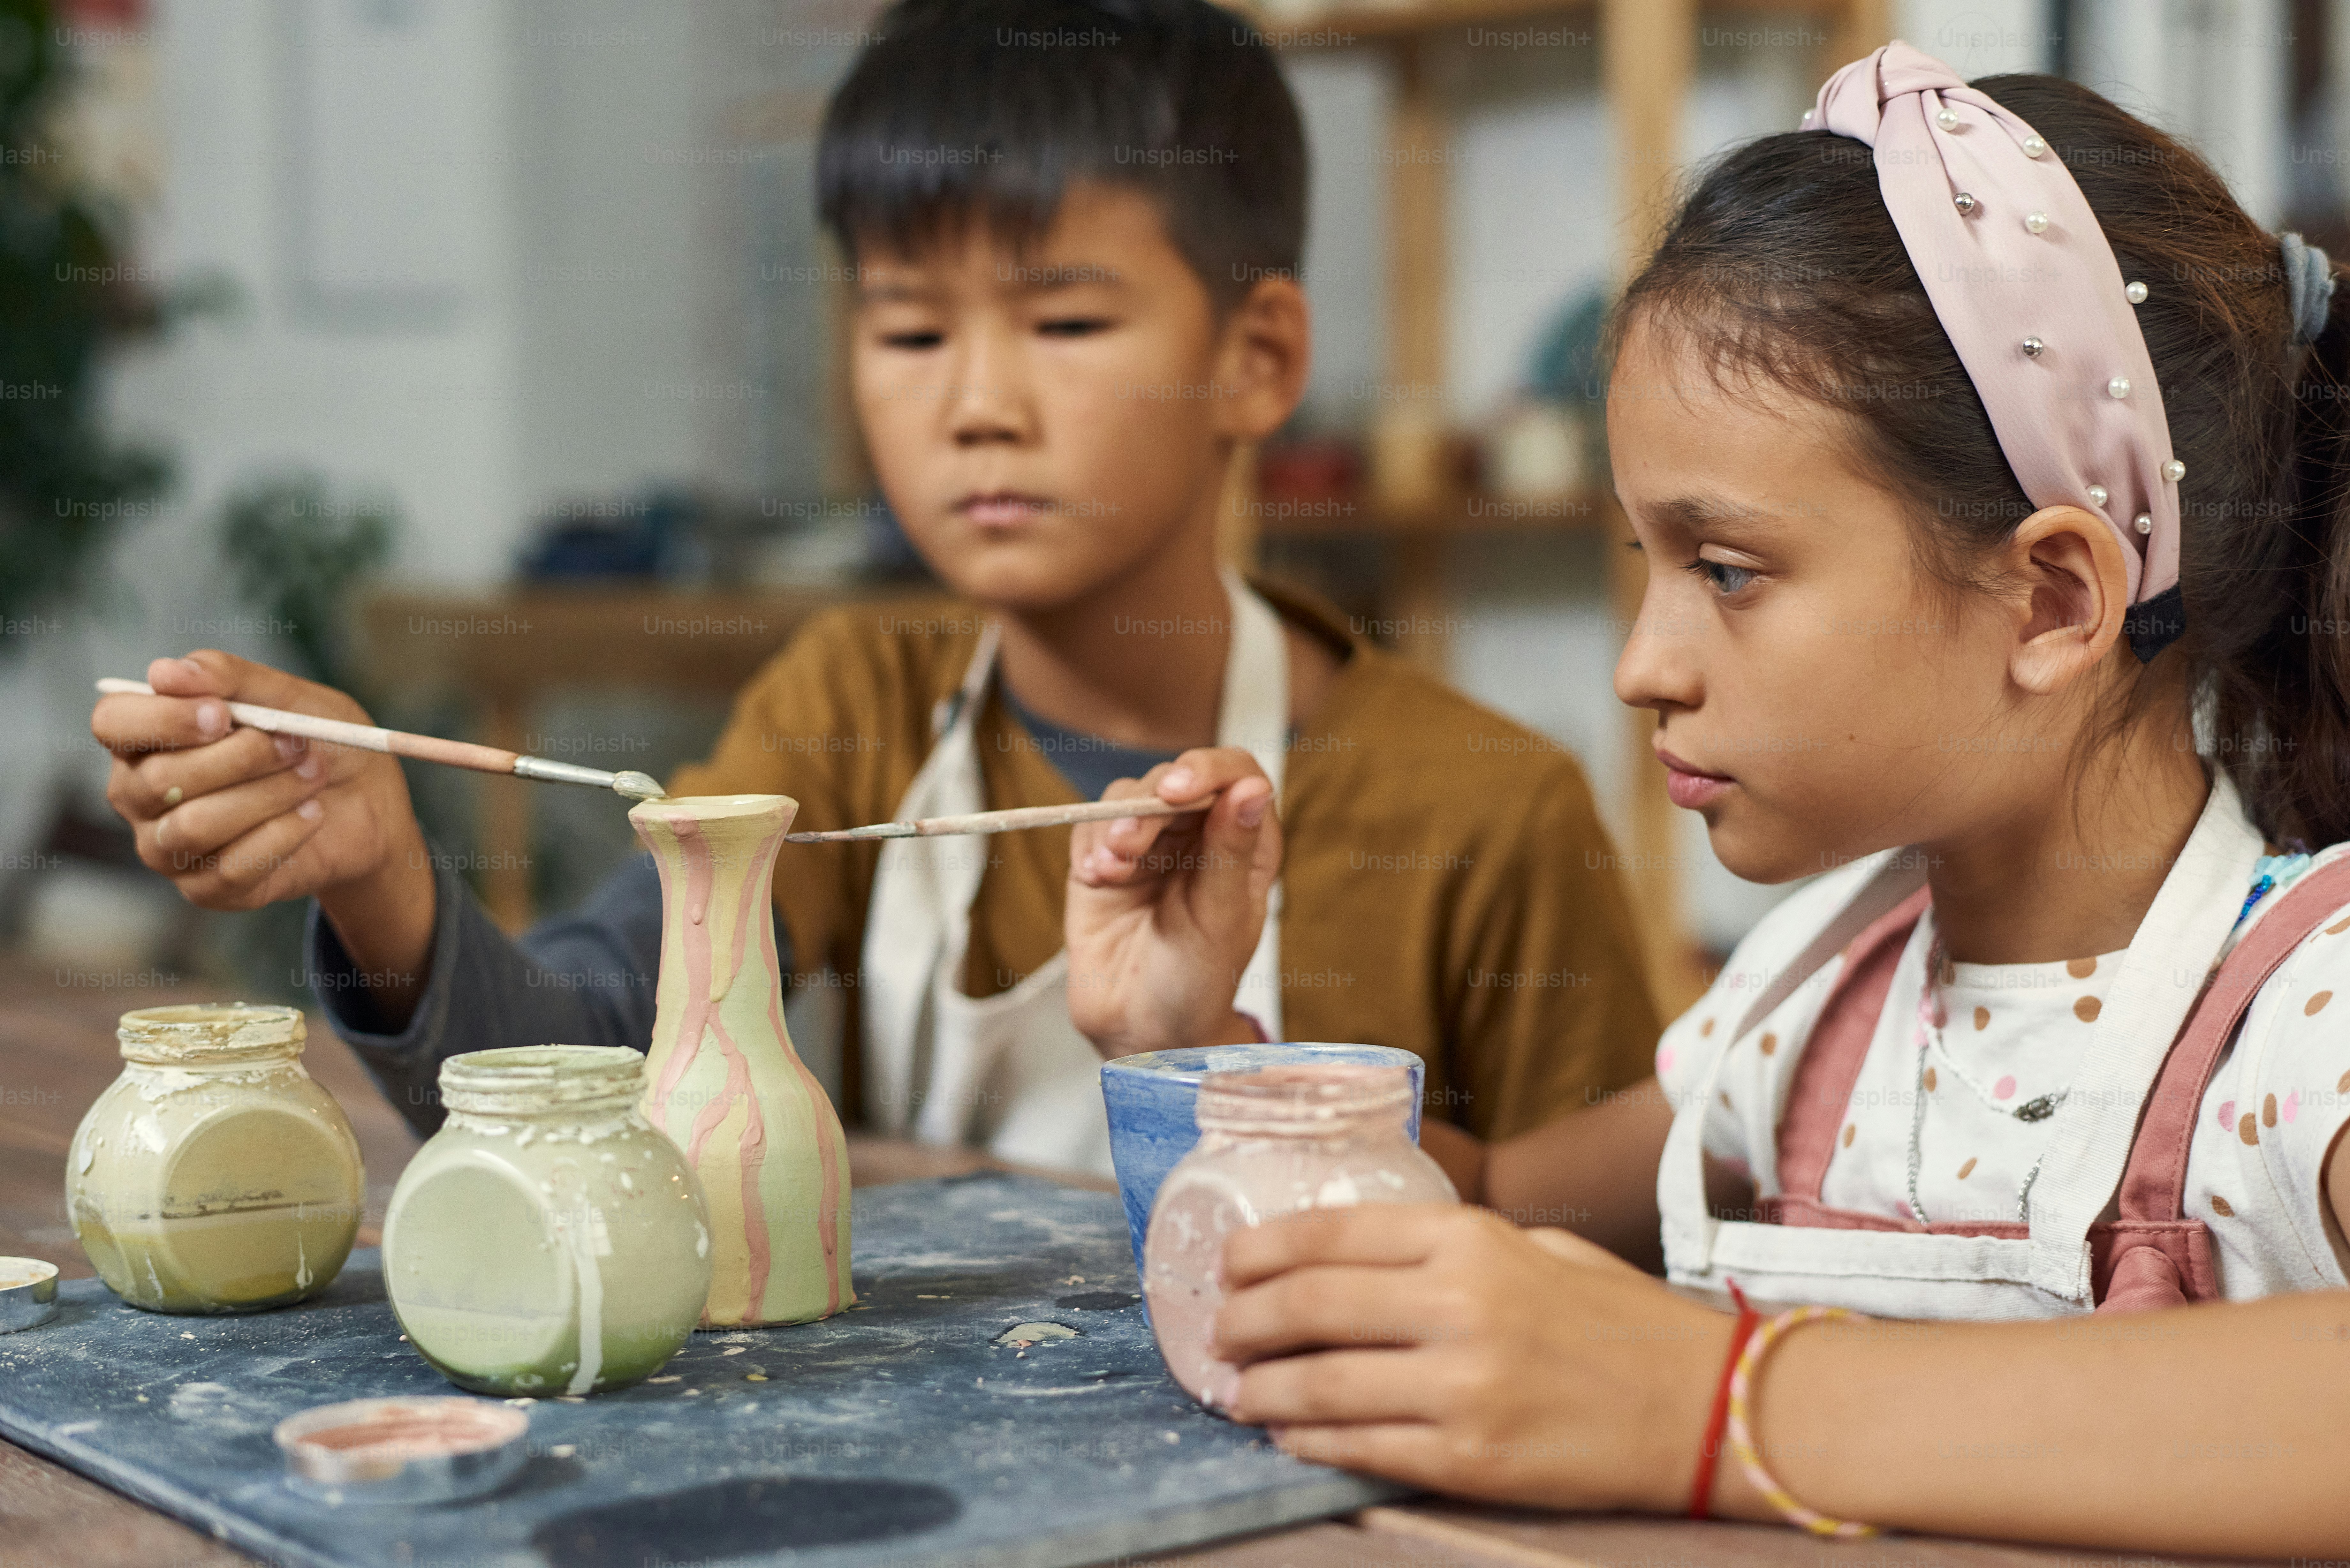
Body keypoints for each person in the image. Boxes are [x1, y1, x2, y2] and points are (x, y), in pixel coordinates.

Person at [1065, 44, 2350, 1554]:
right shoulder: (1810, 999)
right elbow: (1482, 1226)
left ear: (2053, 600)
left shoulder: (2301, 1023)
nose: (1640, 666)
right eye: (1644, 567)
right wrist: (1195, 1051)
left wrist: (1712, 1401)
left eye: (1726, 570)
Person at [88, 0, 1660, 1180]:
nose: (975, 402)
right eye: (910, 333)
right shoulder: (852, 708)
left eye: (1061, 323)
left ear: (1256, 360)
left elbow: (1601, 1247)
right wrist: (376, 870)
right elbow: (584, 1071)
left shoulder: (1481, 807)